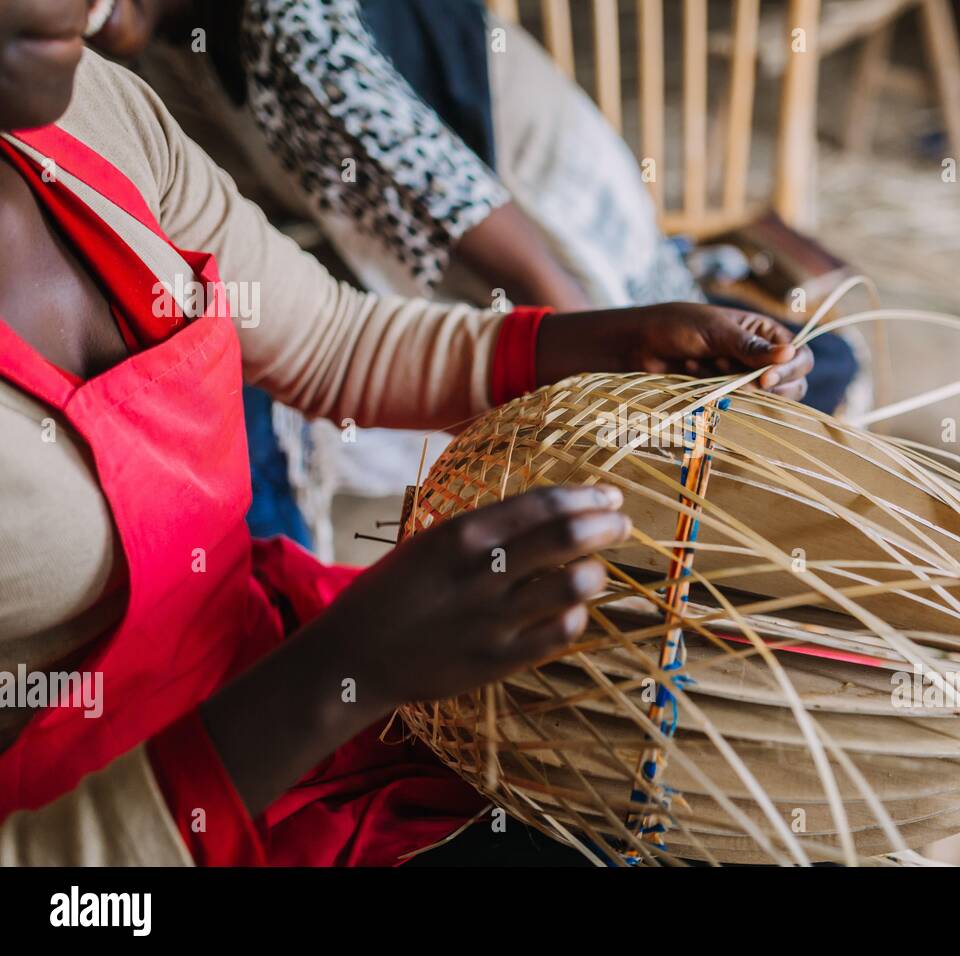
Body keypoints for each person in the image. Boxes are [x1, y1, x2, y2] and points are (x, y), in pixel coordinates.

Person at [0, 0, 812, 865]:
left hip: (286, 667)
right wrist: (339, 676)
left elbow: (327, 340)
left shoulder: (95, 112)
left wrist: (607, 342)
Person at [92, 0, 859, 551]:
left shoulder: (287, 28)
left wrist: (614, 420)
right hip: (465, 277)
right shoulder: (158, 52)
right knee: (242, 367)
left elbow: (504, 245)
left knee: (251, 390)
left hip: (570, 253)